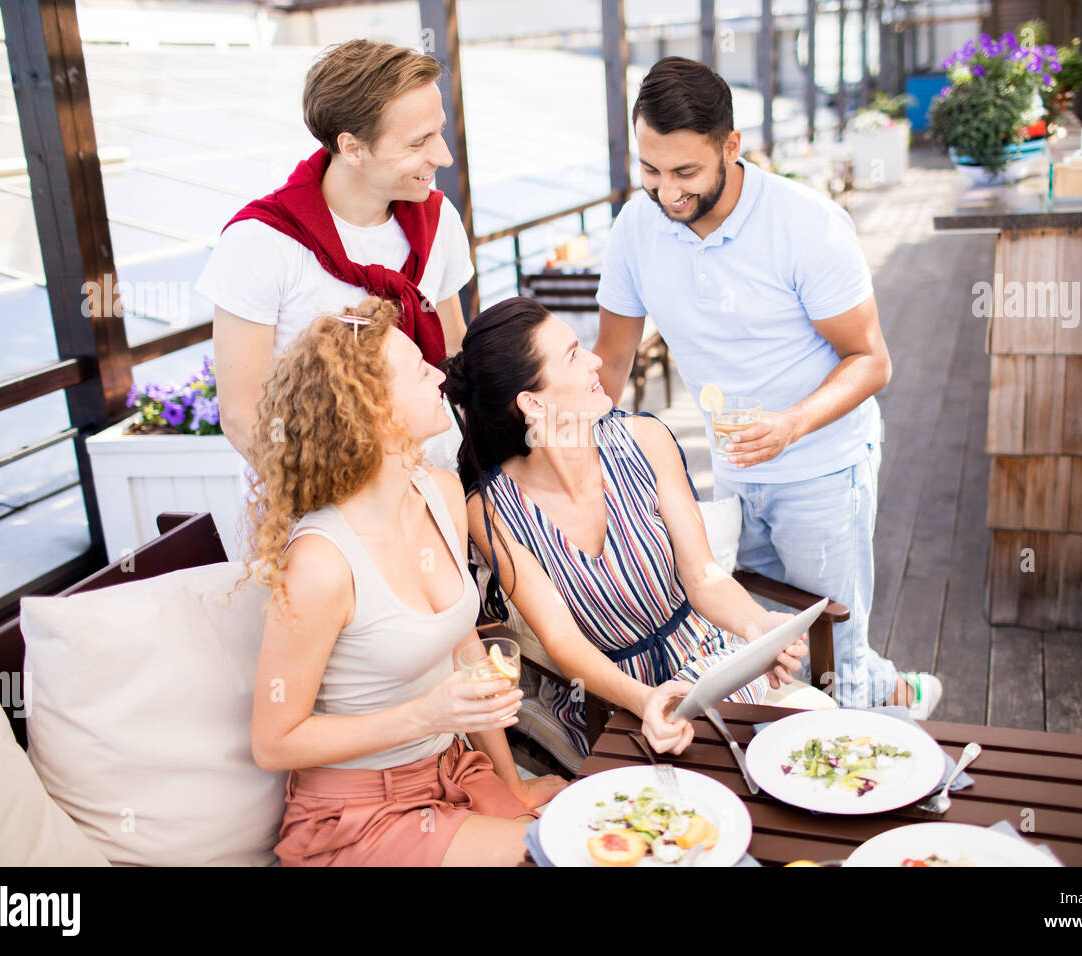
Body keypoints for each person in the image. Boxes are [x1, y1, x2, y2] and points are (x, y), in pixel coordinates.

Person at [591, 56, 942, 716]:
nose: (667, 192)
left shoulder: (806, 225)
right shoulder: (635, 230)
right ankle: (888, 687)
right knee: (759, 641)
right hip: (731, 471)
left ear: (732, 146)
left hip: (822, 466)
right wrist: (555, 450)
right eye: (651, 171)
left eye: (686, 173)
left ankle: (883, 707)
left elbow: (872, 361)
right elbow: (610, 365)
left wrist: (791, 425)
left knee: (830, 639)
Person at [244, 296, 565, 867]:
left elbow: (464, 649)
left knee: (603, 833)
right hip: (362, 813)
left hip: (451, 770)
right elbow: (273, 742)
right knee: (555, 856)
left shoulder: (439, 493)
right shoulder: (321, 562)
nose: (440, 375)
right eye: (420, 370)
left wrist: (512, 785)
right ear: (374, 409)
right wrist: (427, 716)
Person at [441, 298, 809, 757]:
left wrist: (757, 626)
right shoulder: (491, 509)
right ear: (532, 402)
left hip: (709, 663)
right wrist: (647, 700)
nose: (597, 360)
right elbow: (562, 641)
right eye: (574, 354)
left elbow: (702, 575)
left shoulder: (645, 440)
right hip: (606, 700)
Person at [197, 38, 473, 473]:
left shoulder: (439, 220)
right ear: (353, 148)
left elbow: (454, 357)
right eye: (419, 141)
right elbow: (243, 414)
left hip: (434, 482)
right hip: (323, 505)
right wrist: (346, 504)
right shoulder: (260, 242)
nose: (443, 156)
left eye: (439, 131)